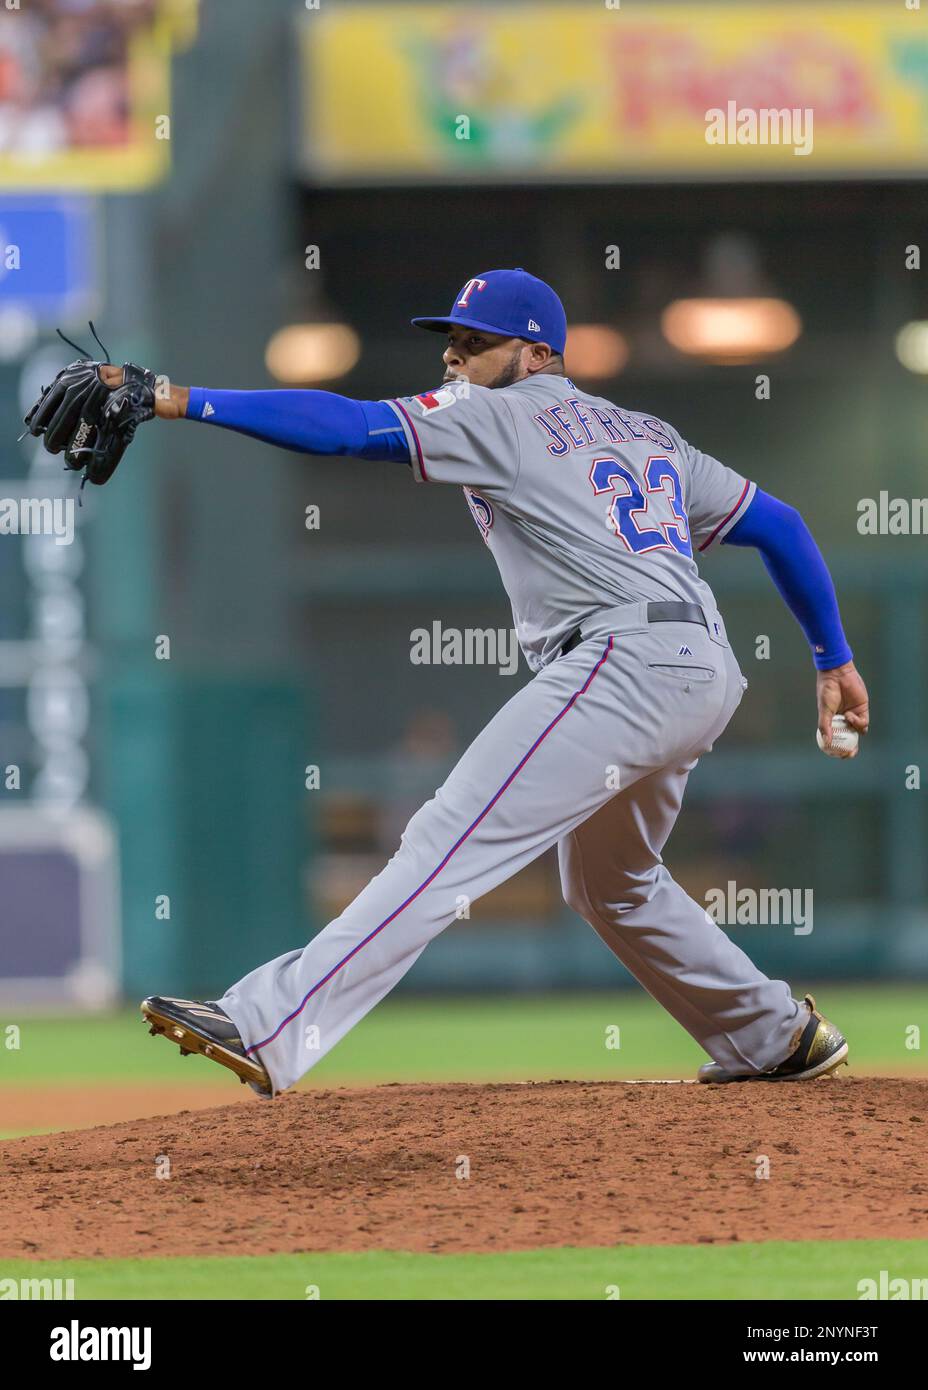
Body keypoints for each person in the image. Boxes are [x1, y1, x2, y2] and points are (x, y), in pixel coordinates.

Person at [136, 268, 868, 1096]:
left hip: (620, 663)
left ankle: (268, 1023)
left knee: (446, 837)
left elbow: (343, 426)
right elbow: (781, 524)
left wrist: (176, 397)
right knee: (611, 883)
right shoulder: (648, 433)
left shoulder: (498, 413)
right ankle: (772, 1035)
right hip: (702, 670)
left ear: (537, 353)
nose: (454, 358)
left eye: (475, 343)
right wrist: (831, 658)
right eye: (451, 341)